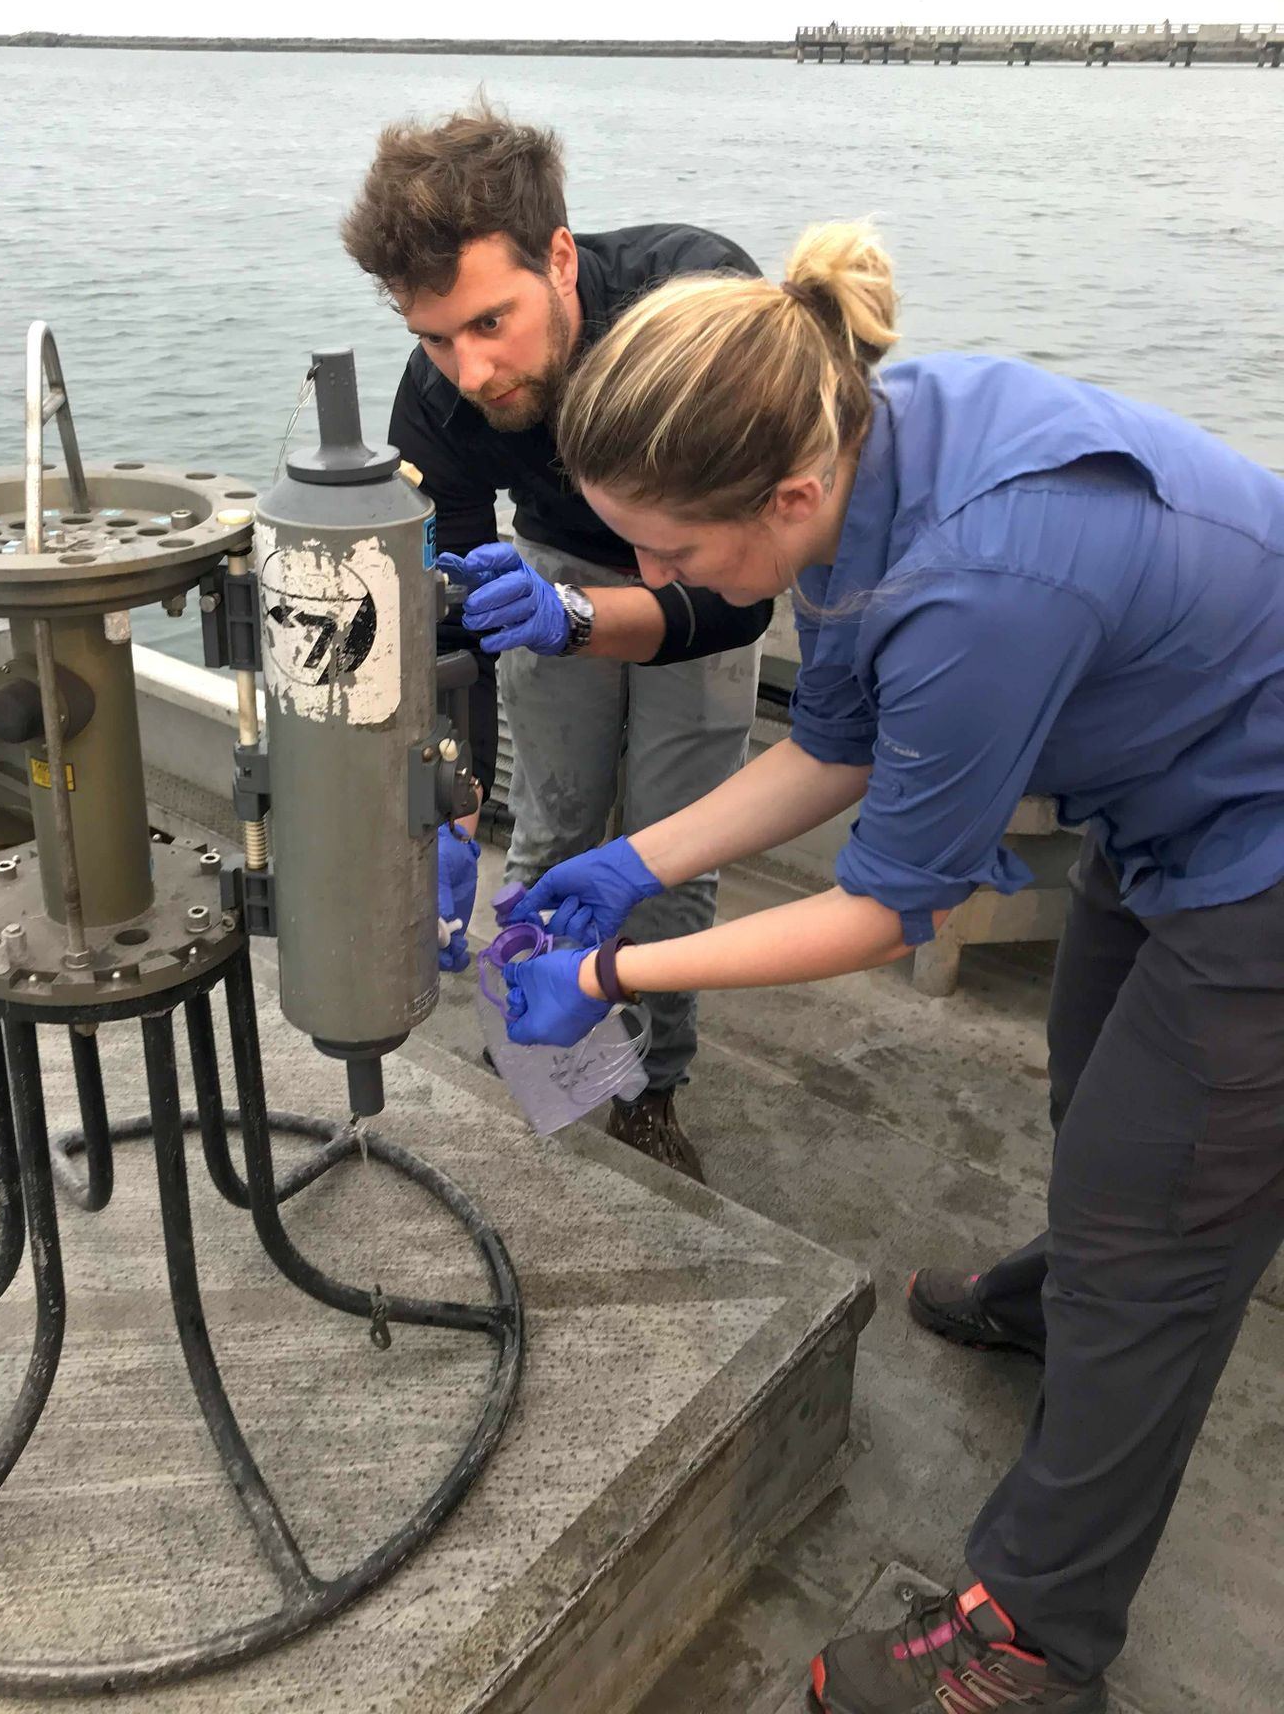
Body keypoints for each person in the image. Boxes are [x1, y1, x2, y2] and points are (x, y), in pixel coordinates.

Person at [499, 221, 1284, 1713]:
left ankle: (1033, 1644)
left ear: (787, 494)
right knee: (1093, 1078)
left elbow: (879, 911)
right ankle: (1074, 1291)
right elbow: (839, 742)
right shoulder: (863, 453)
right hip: (1174, 788)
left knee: (1162, 1216)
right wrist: (635, 861)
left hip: (1265, 841)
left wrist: (614, 983)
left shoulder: (979, 582)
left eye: (672, 553)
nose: (650, 579)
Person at [341, 105, 772, 1178]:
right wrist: (445, 791)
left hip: (705, 558)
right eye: (435, 336)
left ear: (563, 257)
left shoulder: (698, 306)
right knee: (549, 832)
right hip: (544, 569)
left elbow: (743, 594)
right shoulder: (440, 390)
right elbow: (447, 602)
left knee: (673, 858)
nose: (470, 369)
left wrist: (600, 613)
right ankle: (545, 1062)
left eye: (492, 322)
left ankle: (653, 1090)